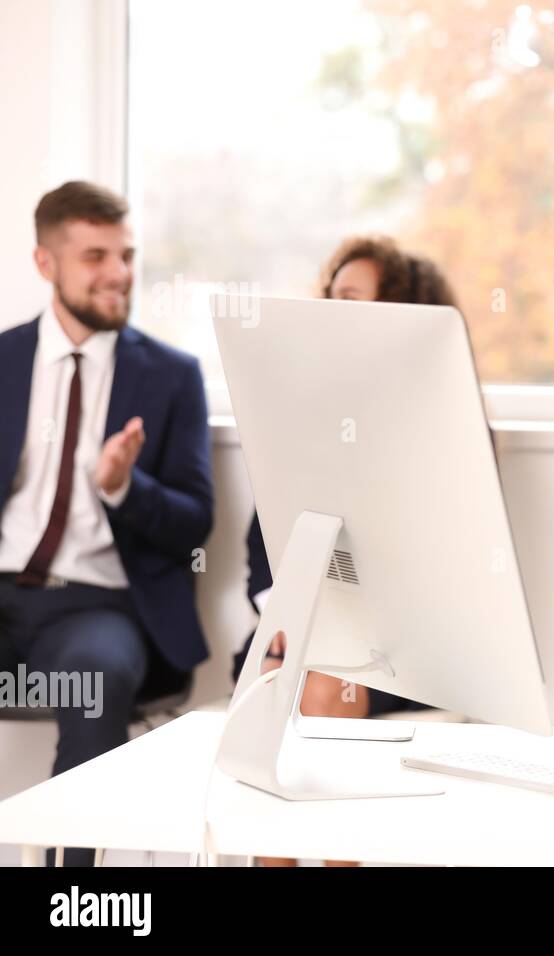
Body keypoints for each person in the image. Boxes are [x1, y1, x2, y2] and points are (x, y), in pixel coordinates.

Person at [0, 182, 213, 862]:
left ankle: (72, 896)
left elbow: (194, 523)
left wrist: (124, 487)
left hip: (95, 608)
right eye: (95, 256)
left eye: (126, 255)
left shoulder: (172, 376)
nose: (119, 273)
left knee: (94, 683)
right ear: (45, 263)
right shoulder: (3, 361)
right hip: (4, 592)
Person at [230, 235, 459, 865]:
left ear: (394, 312)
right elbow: (262, 546)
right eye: (330, 296)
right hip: (294, 642)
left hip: (403, 654)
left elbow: (446, 569)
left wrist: (341, 635)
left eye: (351, 299)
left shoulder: (442, 419)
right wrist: (288, 623)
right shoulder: (304, 411)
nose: (332, 311)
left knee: (323, 687)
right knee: (280, 683)